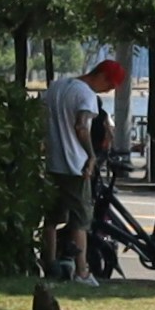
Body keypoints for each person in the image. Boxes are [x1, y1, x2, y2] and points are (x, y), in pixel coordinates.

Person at [43, 50, 127, 284]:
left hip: (53, 162)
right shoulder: (86, 95)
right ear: (101, 76)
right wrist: (90, 156)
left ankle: (49, 264)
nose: (109, 90)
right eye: (110, 84)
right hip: (75, 165)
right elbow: (82, 127)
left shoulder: (56, 87)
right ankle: (82, 272)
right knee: (81, 219)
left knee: (51, 219)